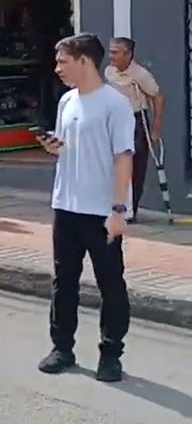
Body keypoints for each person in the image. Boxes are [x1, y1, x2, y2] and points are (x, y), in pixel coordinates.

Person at [36, 33, 134, 383]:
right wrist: (53, 148)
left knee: (110, 283)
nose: (57, 67)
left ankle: (111, 354)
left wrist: (119, 209)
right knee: (64, 282)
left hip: (101, 211)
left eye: (63, 61)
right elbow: (66, 149)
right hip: (66, 205)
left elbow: (124, 158)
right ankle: (62, 347)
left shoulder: (115, 104)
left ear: (84, 61)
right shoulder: (66, 102)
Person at [104, 37, 163, 221]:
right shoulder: (109, 72)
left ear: (128, 54)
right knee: (113, 165)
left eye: (116, 52)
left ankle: (131, 210)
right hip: (114, 121)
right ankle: (115, 206)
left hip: (136, 121)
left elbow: (158, 97)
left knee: (135, 167)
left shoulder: (140, 74)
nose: (111, 56)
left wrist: (156, 126)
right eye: (110, 51)